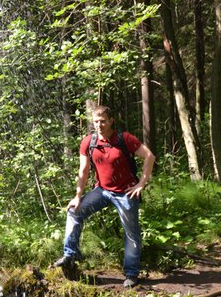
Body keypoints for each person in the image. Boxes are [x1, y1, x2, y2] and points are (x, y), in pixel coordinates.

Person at [53, 105, 156, 288]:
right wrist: (77, 196)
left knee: (131, 233)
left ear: (110, 121)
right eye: (96, 121)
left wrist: (141, 183)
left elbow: (149, 156)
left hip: (125, 192)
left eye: (103, 121)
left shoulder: (124, 139)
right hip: (102, 191)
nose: (99, 125)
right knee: (74, 211)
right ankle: (70, 255)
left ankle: (131, 273)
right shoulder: (89, 142)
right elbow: (83, 170)